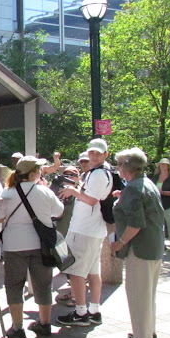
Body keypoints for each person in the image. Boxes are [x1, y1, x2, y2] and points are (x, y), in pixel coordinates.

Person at [0, 156, 64, 338]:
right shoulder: (44, 191)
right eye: (39, 170)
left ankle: (17, 328)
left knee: (14, 285)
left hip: (14, 245)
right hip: (40, 245)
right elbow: (59, 211)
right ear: (33, 173)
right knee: (43, 284)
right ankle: (44, 323)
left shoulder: (8, 193)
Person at [109, 148, 164, 338]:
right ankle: (148, 331)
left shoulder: (133, 188)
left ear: (126, 166)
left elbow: (136, 223)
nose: (117, 168)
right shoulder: (146, 183)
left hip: (140, 248)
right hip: (154, 246)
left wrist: (119, 242)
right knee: (148, 292)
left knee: (138, 293)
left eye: (119, 164)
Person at [57, 139, 112, 326]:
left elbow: (91, 200)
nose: (93, 156)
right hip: (92, 230)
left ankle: (81, 312)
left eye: (98, 153)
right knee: (92, 272)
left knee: (76, 272)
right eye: (91, 153)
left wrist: (73, 191)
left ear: (106, 154)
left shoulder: (98, 175)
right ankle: (94, 310)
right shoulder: (100, 173)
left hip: (85, 230)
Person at [151, 158, 170, 254]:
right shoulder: (155, 177)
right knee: (159, 226)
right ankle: (161, 245)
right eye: (161, 164)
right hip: (157, 204)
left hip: (169, 205)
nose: (163, 166)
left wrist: (162, 192)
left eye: (165, 164)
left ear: (168, 166)